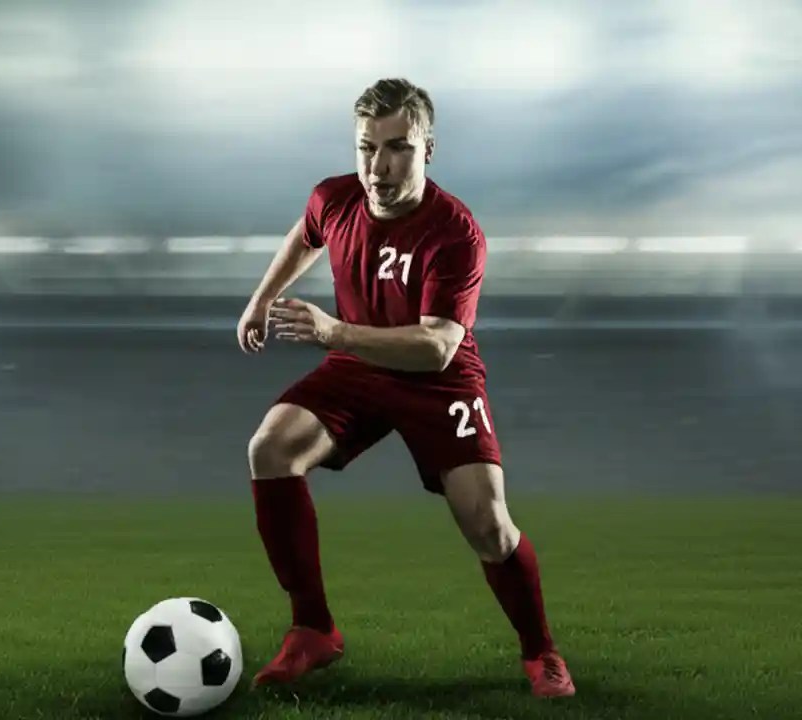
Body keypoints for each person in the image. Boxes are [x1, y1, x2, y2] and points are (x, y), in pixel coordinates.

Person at [236, 77, 575, 699]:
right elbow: (306, 232)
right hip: (358, 364)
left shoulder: (455, 231)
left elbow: (436, 345)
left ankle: (541, 653)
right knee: (271, 449)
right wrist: (260, 302)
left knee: (489, 527)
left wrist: (335, 330)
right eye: (367, 147)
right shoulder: (334, 198)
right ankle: (312, 628)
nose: (378, 166)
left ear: (428, 149)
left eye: (398, 148)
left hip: (436, 381)